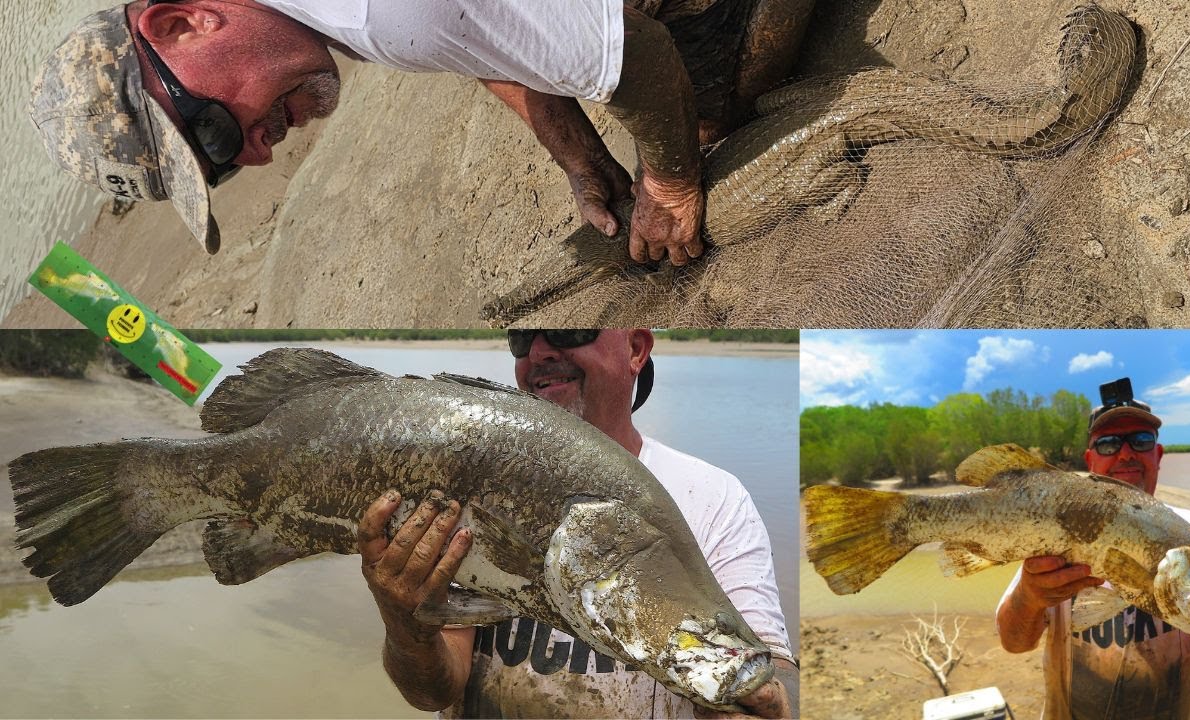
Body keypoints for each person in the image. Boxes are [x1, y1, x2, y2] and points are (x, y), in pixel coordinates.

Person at [30, 0, 812, 264]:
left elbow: (641, 58)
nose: (259, 150)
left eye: (214, 134)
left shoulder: (383, 14)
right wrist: (575, 153)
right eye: (222, 167)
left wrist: (669, 186)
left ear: (182, 21)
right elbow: (480, 35)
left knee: (704, 108)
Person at [353, 329, 797, 718]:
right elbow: (432, 693)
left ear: (636, 348)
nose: (540, 351)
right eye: (522, 337)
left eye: (568, 330)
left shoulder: (715, 498)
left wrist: (770, 705)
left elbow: (769, 667)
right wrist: (406, 626)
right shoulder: (467, 475)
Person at [995, 377, 1190, 719]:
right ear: (1090, 461)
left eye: (1141, 440)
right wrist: (1030, 595)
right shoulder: (1056, 528)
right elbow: (1014, 643)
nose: (1126, 453)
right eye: (1109, 444)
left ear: (1158, 454)